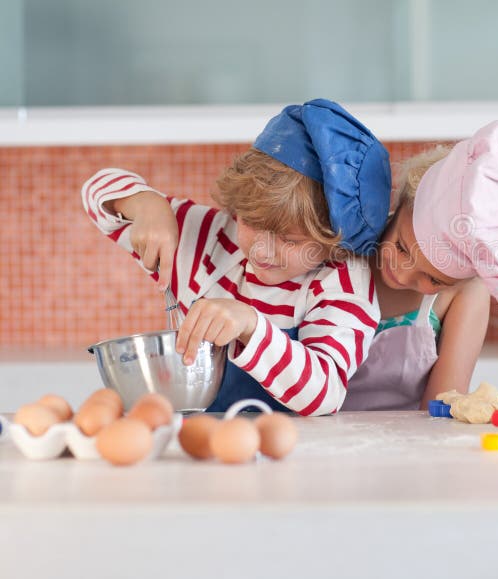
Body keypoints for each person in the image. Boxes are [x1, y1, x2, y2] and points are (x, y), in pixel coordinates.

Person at [82, 99, 391, 416]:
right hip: (202, 441)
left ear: (333, 242)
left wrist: (250, 326)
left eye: (290, 240)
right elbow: (95, 192)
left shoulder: (341, 280)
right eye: (251, 222)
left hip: (297, 445)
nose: (262, 251)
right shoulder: (208, 238)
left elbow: (324, 393)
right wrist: (146, 206)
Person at [341, 121, 498, 411]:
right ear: (402, 200)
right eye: (401, 247)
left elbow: (441, 409)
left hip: (410, 438)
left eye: (434, 280)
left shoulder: (468, 293)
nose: (403, 274)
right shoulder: (343, 249)